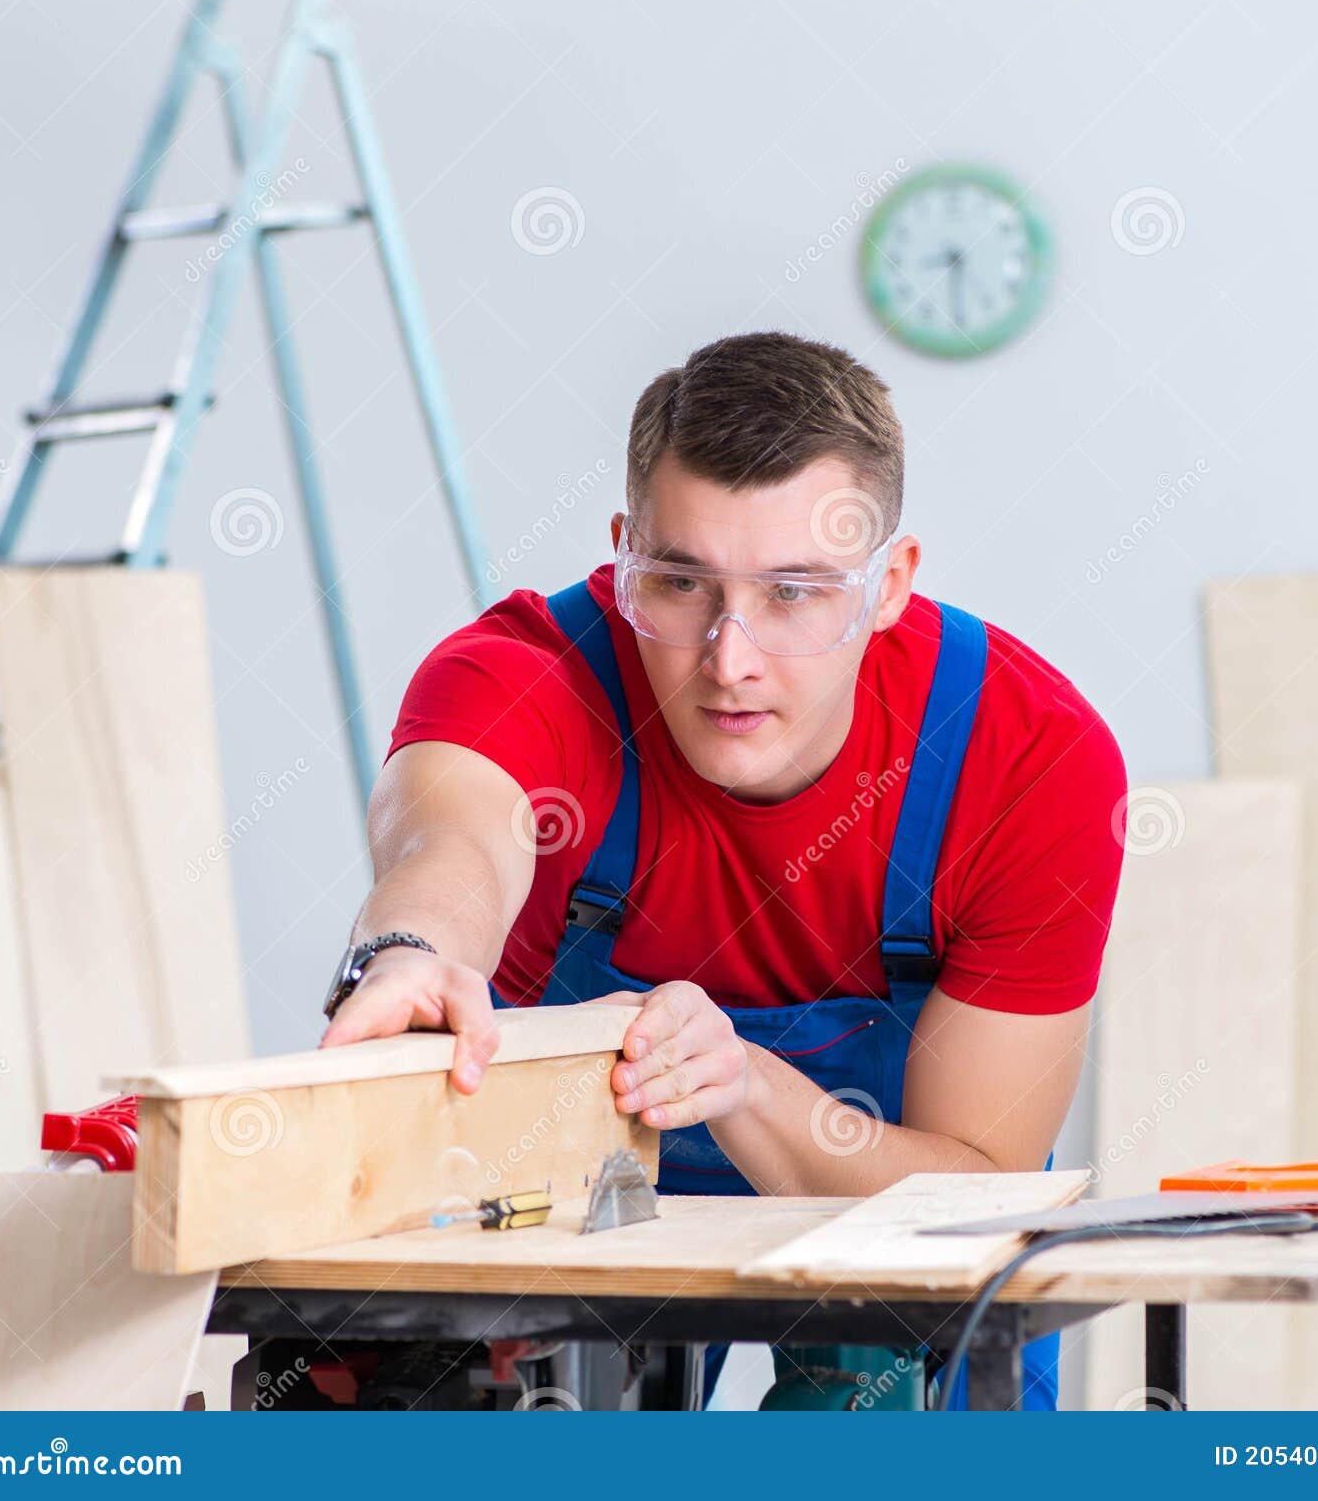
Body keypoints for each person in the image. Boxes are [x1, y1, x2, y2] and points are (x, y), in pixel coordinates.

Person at [320, 330, 1127, 1409]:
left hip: (872, 1215)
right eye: (682, 582)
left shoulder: (1026, 760)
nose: (729, 656)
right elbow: (449, 840)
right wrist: (411, 951)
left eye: (794, 591)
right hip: (555, 1211)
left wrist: (744, 1081)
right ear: (621, 559)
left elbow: (972, 1186)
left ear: (889, 585)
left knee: (889, 1382)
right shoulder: (523, 678)